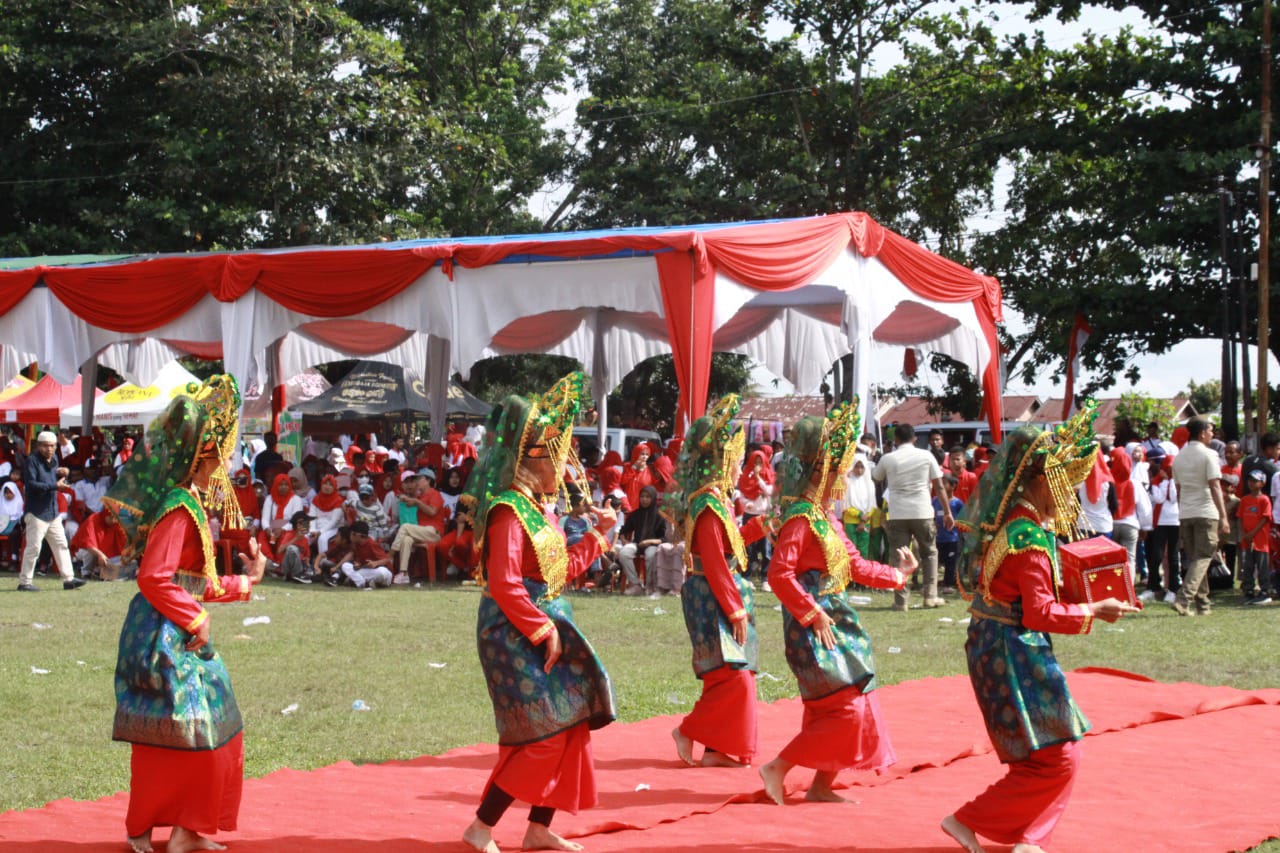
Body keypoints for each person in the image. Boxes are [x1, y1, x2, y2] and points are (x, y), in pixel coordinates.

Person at [941, 403, 1138, 853]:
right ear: (1036, 479)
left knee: (1050, 755)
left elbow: (1033, 601)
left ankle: (1025, 838)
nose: (1070, 491)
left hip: (1003, 644)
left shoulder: (1020, 525)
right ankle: (976, 822)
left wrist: (1092, 598)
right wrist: (1093, 611)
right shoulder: (1027, 537)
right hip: (1014, 650)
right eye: (1064, 480)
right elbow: (1039, 613)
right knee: (1058, 757)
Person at [105, 375, 267, 853]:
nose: (229, 460)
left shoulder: (190, 503)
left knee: (212, 727)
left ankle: (185, 830)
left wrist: (248, 580)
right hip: (164, 633)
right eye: (225, 450)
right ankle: (147, 827)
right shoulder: (179, 507)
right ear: (205, 454)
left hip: (177, 627)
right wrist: (195, 620)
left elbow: (195, 582)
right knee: (183, 730)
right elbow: (155, 578)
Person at [462, 373, 617, 853]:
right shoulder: (509, 510)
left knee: (570, 724)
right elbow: (506, 584)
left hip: (543, 621)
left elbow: (556, 573)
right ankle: (480, 828)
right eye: (558, 455)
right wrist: (541, 628)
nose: (566, 467)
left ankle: (537, 828)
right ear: (533, 459)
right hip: (511, 629)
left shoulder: (540, 510)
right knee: (542, 733)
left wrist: (597, 537)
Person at [758, 404, 918, 805]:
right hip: (814, 624)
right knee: (844, 708)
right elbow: (780, 574)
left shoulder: (824, 516)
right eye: (841, 468)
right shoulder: (800, 518)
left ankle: (821, 786)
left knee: (845, 704)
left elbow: (856, 565)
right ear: (822, 470)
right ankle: (777, 767)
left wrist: (899, 575)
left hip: (835, 620)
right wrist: (812, 614)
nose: (846, 476)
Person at [668, 394, 768, 769]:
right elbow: (714, 562)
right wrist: (735, 608)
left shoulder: (718, 501)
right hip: (712, 595)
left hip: (718, 592)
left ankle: (716, 747)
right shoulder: (708, 504)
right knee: (733, 673)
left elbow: (732, 544)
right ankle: (691, 729)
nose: (740, 468)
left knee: (724, 673)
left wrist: (762, 525)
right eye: (736, 461)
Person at [873, 423, 951, 610]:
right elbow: (939, 486)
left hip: (898, 513)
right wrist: (947, 511)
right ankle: (930, 596)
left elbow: (876, 477)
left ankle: (901, 601)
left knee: (899, 556)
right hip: (922, 511)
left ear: (896, 440)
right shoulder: (926, 456)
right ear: (915, 438)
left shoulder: (888, 458)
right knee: (929, 553)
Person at [1171, 417, 1230, 617]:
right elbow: (1215, 486)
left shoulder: (1179, 457)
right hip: (1206, 511)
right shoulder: (1209, 455)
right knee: (1204, 556)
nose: (1213, 434)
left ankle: (1203, 605)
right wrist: (1223, 516)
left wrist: (1183, 511)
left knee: (1197, 560)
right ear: (1202, 433)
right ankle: (1183, 598)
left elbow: (1178, 490)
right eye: (1211, 431)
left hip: (1186, 513)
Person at [17, 430, 85, 592]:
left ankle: (69, 579)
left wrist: (64, 472)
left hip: (52, 511)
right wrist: (55, 485)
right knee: (34, 548)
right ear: (39, 446)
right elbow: (32, 485)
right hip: (36, 512)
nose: (49, 449)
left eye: (52, 446)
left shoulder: (53, 458)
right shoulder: (32, 461)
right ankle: (25, 582)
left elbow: (53, 475)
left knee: (61, 544)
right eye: (46, 446)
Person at [1238, 470, 1273, 605]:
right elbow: (1240, 517)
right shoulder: (1245, 500)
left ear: (1262, 483)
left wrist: (1252, 533)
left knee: (1262, 565)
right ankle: (1249, 591)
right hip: (1247, 540)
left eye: (1255, 481)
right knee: (1248, 566)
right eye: (1250, 480)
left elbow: (1265, 518)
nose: (1251, 483)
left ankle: (1265, 591)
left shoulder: (1264, 499)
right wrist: (1244, 534)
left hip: (1260, 539)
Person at [339, 520, 393, 589]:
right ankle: (362, 583)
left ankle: (358, 581)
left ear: (357, 535)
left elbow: (388, 560)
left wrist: (375, 563)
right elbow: (359, 564)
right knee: (345, 566)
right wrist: (357, 565)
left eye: (351, 534)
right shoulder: (357, 545)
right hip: (368, 572)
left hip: (382, 574)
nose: (350, 536)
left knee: (382, 571)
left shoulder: (371, 544)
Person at [935, 475, 964, 594]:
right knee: (937, 560)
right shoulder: (935, 500)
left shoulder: (957, 503)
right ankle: (932, 583)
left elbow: (963, 519)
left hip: (952, 538)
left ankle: (949, 584)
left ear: (953, 486)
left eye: (944, 483)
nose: (941, 486)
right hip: (938, 538)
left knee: (951, 562)